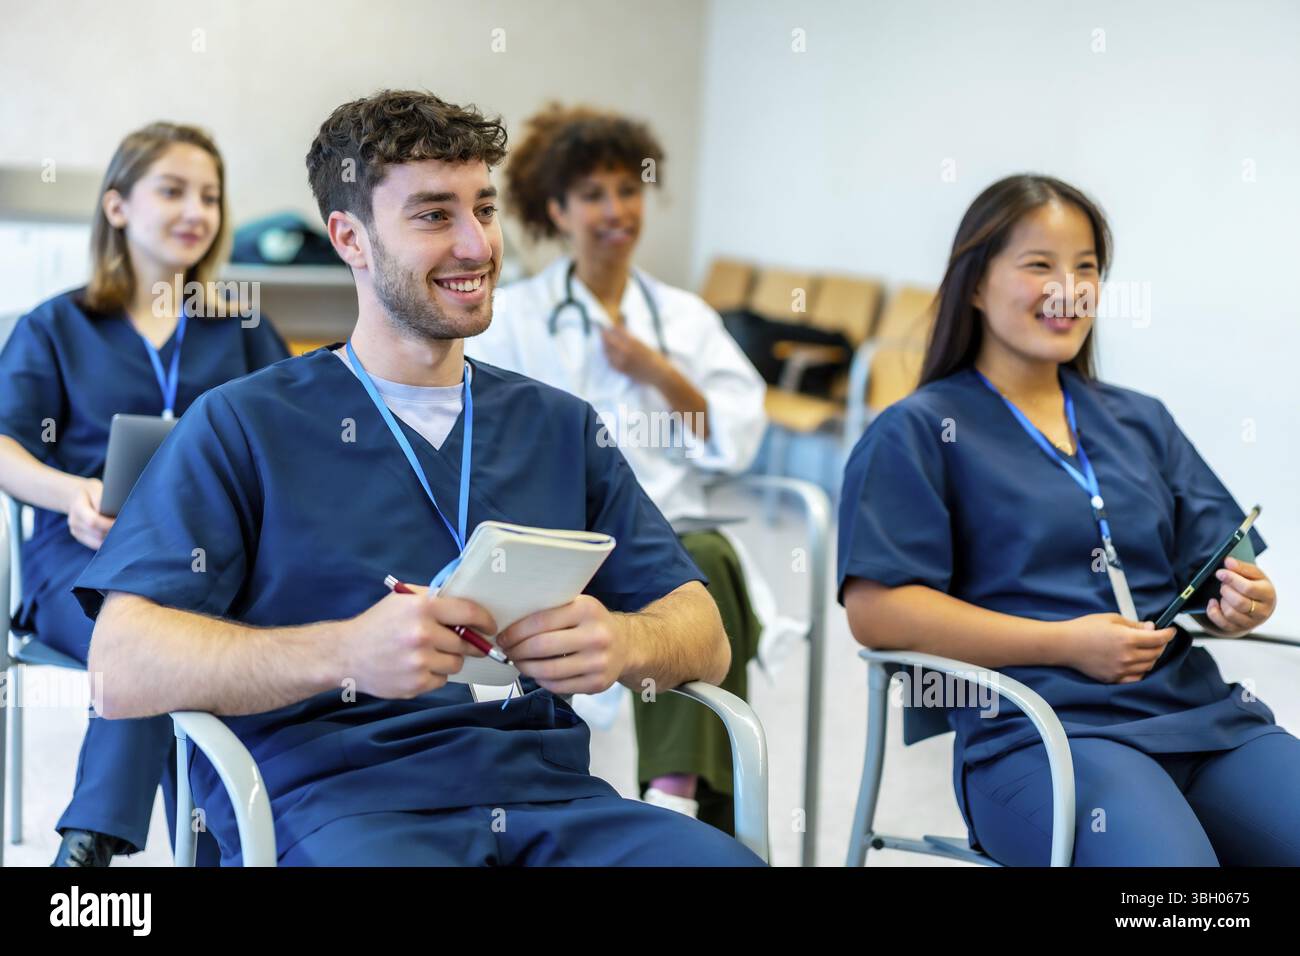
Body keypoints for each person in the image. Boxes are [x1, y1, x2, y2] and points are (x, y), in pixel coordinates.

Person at [74, 89, 765, 867]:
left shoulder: (558, 427)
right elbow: (121, 666)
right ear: (351, 239)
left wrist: (625, 640)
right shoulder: (243, 426)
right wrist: (343, 653)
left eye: (485, 209)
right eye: (435, 215)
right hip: (337, 809)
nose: (476, 246)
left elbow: (703, 633)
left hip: (551, 803)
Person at [838, 173, 1298, 866]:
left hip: (1204, 721)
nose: (1069, 288)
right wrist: (1062, 644)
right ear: (975, 284)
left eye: (1086, 267)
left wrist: (1244, 598)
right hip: (1041, 735)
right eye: (1039, 265)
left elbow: (1222, 561)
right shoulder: (918, 431)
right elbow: (878, 613)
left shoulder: (1140, 419)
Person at [468, 103, 767, 833]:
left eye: (628, 191)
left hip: (668, 537)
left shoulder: (684, 320)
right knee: (699, 571)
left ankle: (672, 797)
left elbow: (734, 440)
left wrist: (659, 371)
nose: (615, 210)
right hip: (556, 544)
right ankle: (690, 820)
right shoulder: (513, 316)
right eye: (593, 195)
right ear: (556, 210)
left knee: (700, 562)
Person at [0, 122, 289, 866]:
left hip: (213, 560)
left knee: (188, 623)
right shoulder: (56, 326)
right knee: (153, 633)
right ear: (118, 206)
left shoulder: (244, 328)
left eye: (211, 197)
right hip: (82, 556)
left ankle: (100, 842)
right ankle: (128, 843)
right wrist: (72, 492)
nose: (197, 210)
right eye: (173, 190)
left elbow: (294, 446)